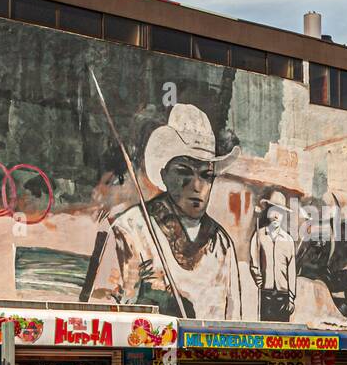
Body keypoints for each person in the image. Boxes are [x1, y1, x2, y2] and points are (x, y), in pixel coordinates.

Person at [82, 103, 242, 319]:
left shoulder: (222, 244)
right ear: (165, 175)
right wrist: (138, 297)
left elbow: (234, 320)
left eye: (206, 175)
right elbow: (99, 312)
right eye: (184, 172)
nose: (197, 186)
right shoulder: (131, 229)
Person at [249, 190, 298, 322]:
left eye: (280, 212)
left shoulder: (288, 240)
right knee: (266, 329)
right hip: (266, 293)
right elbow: (254, 261)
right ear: (268, 211)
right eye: (274, 210)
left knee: (283, 334)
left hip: (284, 295)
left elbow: (291, 271)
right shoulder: (259, 235)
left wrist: (291, 298)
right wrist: (256, 274)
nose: (277, 216)